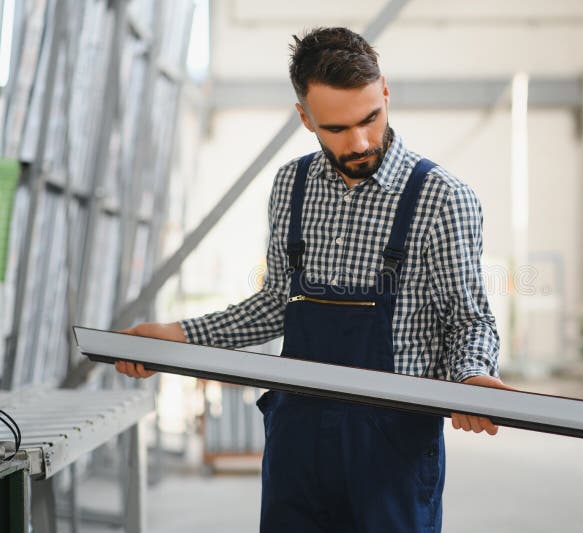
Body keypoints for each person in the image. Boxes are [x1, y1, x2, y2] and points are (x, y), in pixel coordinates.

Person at [116, 26, 512, 532]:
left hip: (389, 449)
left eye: (370, 117)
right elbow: (276, 303)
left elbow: (469, 318)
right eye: (337, 129)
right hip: (297, 443)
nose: (362, 141)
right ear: (305, 117)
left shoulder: (441, 198)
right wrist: (175, 337)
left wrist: (471, 378)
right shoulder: (291, 186)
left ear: (385, 91)